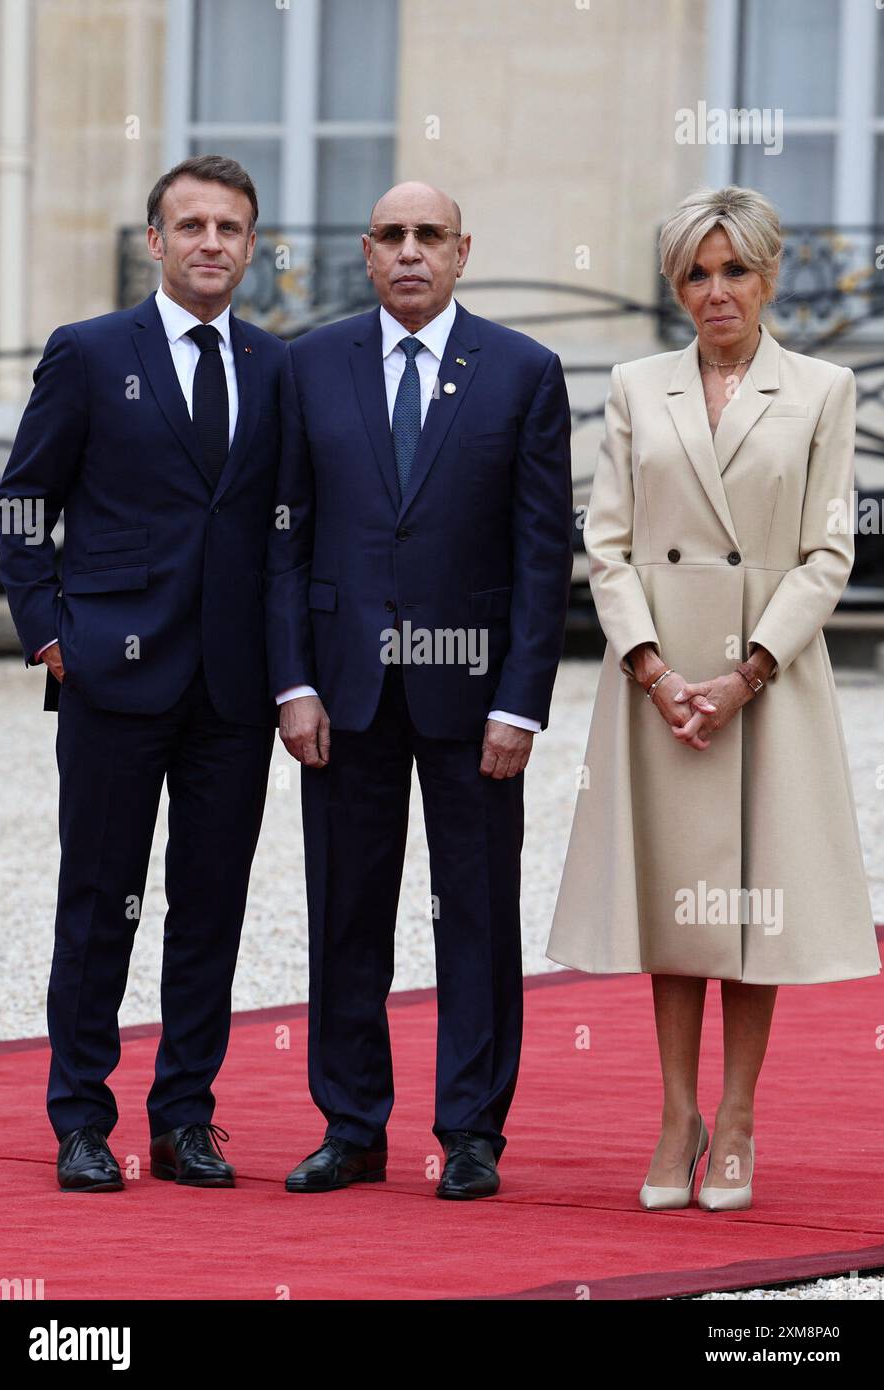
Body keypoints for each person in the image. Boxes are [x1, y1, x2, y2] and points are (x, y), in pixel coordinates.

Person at [547, 185, 880, 1212]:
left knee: (752, 900)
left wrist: (745, 673)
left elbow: (828, 551)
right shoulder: (635, 386)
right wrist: (651, 668)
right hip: (658, 681)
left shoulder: (822, 390)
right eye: (694, 271)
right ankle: (673, 1113)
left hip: (765, 679)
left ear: (769, 276)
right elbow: (602, 541)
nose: (714, 289)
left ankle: (735, 1116)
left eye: (733, 268)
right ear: (673, 285)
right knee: (674, 898)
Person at [266, 181, 572, 1199]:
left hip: (473, 695)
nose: (409, 252)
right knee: (345, 908)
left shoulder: (523, 373)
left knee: (473, 912)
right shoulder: (307, 366)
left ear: (461, 250)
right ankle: (350, 1125)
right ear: (364, 252)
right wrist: (293, 682)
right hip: (341, 694)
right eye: (390, 236)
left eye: (427, 236)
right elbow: (285, 537)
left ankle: (471, 1131)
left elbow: (541, 557)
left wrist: (519, 699)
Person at [0, 155, 288, 1192]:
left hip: (233, 689)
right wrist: (48, 633)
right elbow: (23, 503)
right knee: (98, 902)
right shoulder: (87, 353)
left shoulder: (273, 365)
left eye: (231, 227)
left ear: (252, 246)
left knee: (209, 907)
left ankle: (185, 1119)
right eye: (192, 225)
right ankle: (80, 1117)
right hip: (111, 677)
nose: (212, 242)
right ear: (156, 241)